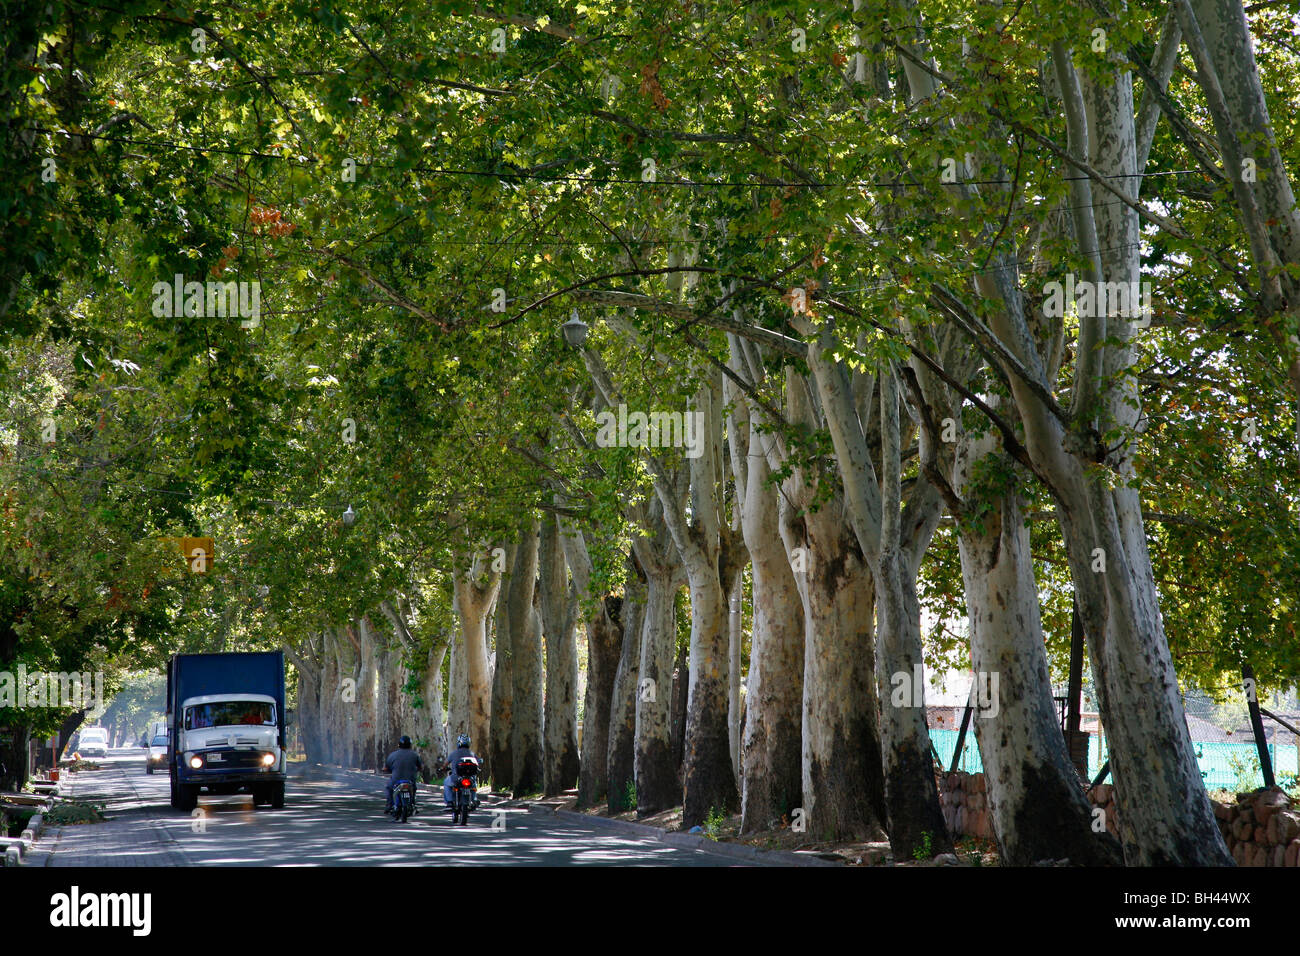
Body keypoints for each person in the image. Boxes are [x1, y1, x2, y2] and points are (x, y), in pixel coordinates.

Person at [382, 734, 423, 816]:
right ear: (410, 744)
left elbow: (385, 768)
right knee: (413, 789)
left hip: (396, 780)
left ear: (399, 744)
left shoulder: (393, 755)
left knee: (389, 788)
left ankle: (389, 805)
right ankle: (413, 804)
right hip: (410, 780)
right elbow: (421, 767)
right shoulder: (415, 755)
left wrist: (387, 770)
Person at [441, 733, 481, 809]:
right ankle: (474, 799)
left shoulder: (454, 753)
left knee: (446, 782)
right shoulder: (472, 754)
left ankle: (449, 802)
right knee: (474, 784)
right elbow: (478, 762)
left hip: (456, 778)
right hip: (470, 778)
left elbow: (445, 764)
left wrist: (443, 768)